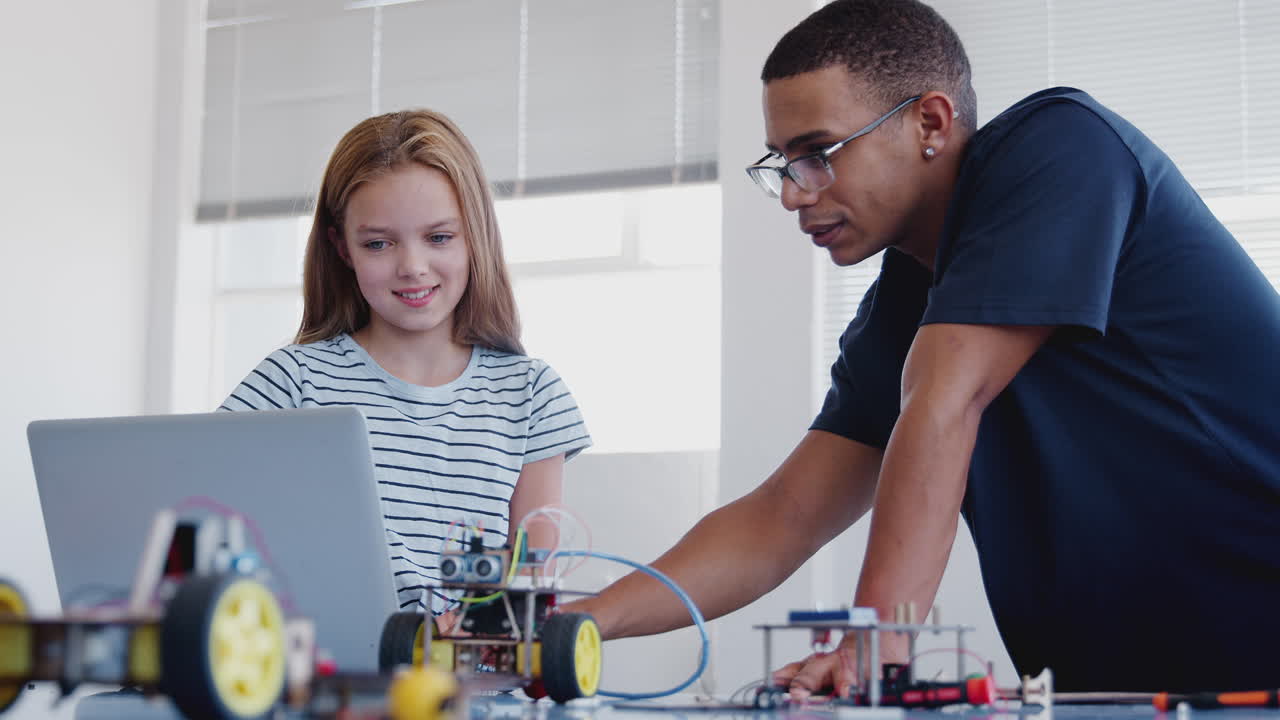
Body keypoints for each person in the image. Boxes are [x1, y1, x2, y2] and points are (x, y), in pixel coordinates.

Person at [563, 0, 1280, 695]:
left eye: (817, 153)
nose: (792, 194)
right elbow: (782, 515)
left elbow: (946, 399)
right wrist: (578, 623)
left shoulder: (1063, 148)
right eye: (782, 162)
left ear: (929, 122)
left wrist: (875, 643)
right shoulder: (904, 309)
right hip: (1119, 687)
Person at [220, 109, 592, 615]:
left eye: (439, 238)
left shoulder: (531, 395)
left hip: (469, 680)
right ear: (342, 248)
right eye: (378, 243)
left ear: (475, 234)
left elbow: (529, 586)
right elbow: (205, 515)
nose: (412, 267)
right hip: (326, 673)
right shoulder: (292, 382)